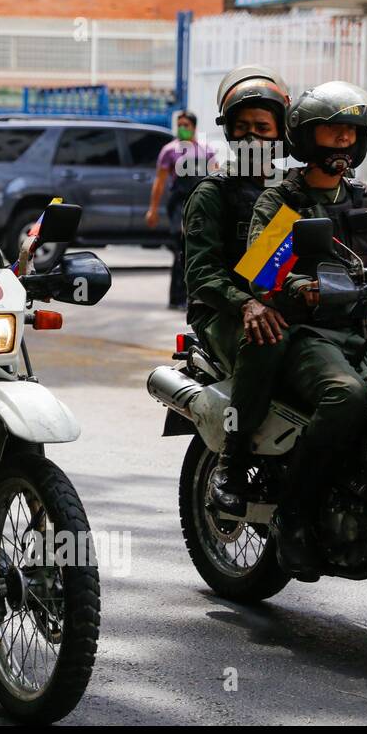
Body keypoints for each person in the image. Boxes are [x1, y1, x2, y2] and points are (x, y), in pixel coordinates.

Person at [247, 81, 367, 576]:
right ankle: (294, 515)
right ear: (306, 139)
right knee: (345, 396)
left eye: (351, 132)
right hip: (312, 333)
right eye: (332, 132)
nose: (344, 142)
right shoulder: (282, 203)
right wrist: (302, 287)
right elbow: (262, 277)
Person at [182, 66, 293, 511]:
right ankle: (233, 457)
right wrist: (245, 303)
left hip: (285, 302)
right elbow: (202, 274)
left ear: (280, 134)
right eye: (243, 128)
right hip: (223, 312)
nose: (252, 137)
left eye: (262, 128)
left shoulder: (292, 190)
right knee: (266, 339)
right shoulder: (214, 193)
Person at [146, 111, 218, 309]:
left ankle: (196, 295)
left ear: (194, 127)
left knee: (200, 250)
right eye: (180, 125)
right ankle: (177, 297)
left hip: (201, 205)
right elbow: (159, 182)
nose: (182, 129)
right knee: (181, 248)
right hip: (179, 205)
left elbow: (216, 178)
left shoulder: (206, 150)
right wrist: (152, 209)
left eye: (186, 125)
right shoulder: (169, 151)